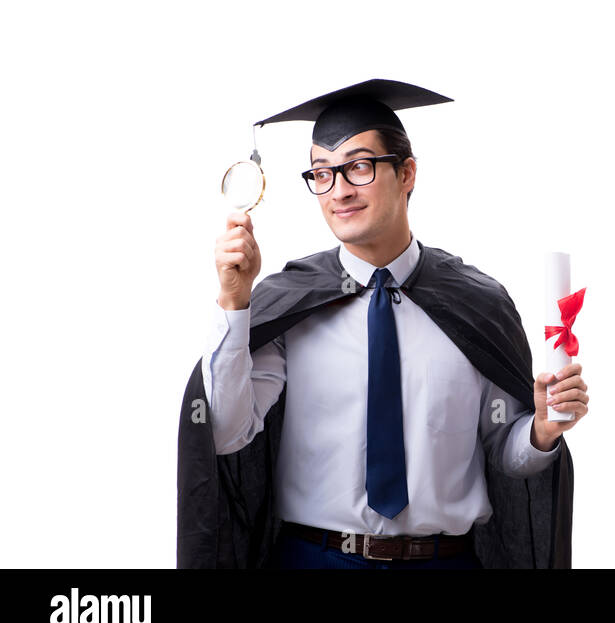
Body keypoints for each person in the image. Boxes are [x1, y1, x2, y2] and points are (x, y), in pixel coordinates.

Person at [177, 79, 587, 569]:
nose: (340, 190)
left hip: (443, 562)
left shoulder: (477, 303)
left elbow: (506, 451)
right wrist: (234, 303)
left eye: (359, 167)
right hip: (313, 561)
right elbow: (225, 433)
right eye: (322, 174)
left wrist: (540, 431)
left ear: (407, 172)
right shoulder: (287, 305)